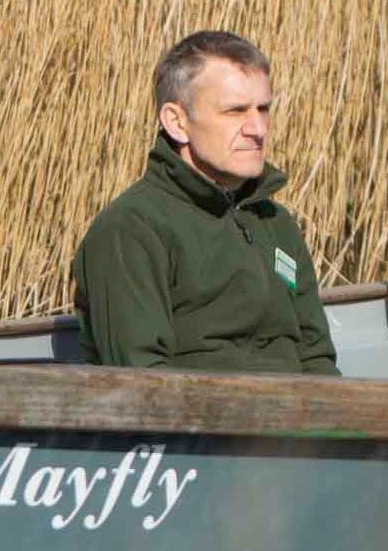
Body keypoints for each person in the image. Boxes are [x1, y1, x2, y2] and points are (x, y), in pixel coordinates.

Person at [73, 30, 339, 373]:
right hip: (208, 422)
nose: (257, 129)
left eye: (263, 109)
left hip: (302, 419)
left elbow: (317, 358)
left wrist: (335, 425)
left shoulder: (275, 223)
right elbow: (144, 384)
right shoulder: (131, 230)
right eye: (235, 111)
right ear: (177, 122)